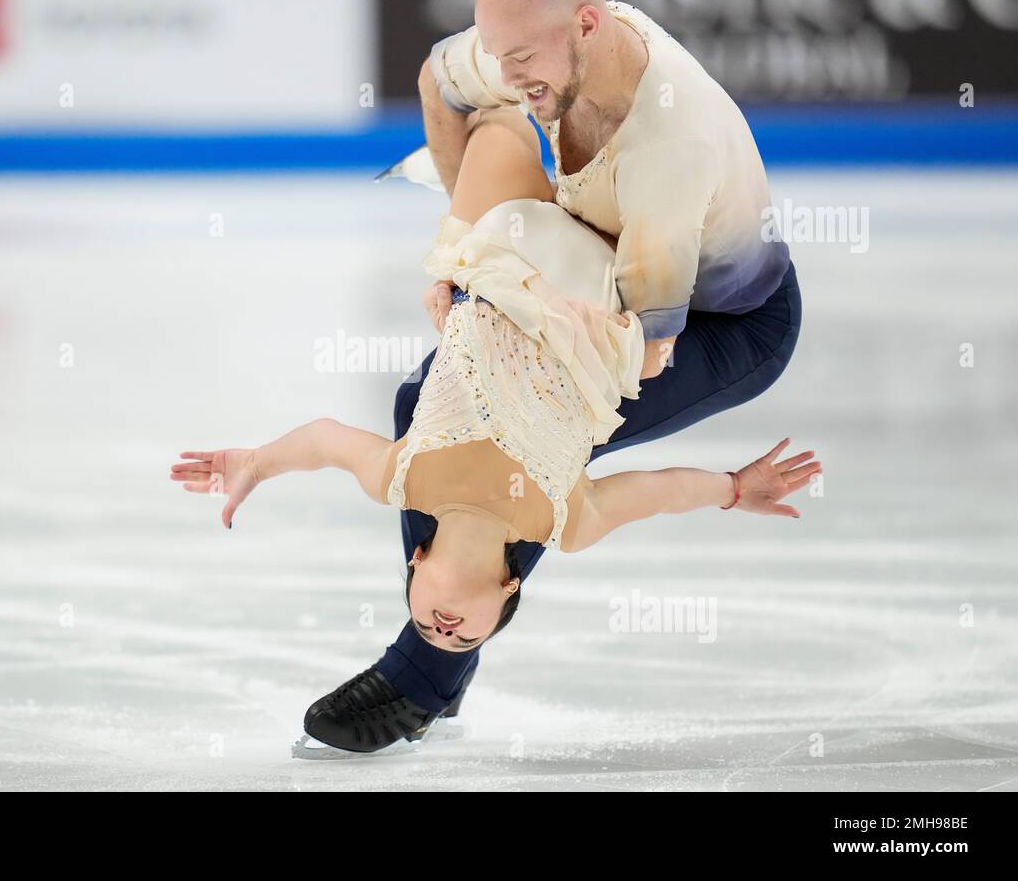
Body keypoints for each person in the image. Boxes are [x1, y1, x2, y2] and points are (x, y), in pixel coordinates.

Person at [172, 108, 816, 754]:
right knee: (605, 162)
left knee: (482, 108)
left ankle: (429, 683)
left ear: (415, 559)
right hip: (725, 316)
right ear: (510, 591)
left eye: (427, 626)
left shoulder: (400, 476)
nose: (444, 626)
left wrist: (256, 461)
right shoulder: (565, 521)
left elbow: (322, 440)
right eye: (460, 638)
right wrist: (734, 487)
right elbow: (661, 491)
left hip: (521, 256)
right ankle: (430, 683)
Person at [302, 0, 804, 753]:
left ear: (588, 24)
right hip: (600, 269)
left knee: (531, 453)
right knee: (415, 405)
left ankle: (425, 674)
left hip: (719, 325)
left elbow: (644, 354)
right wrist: (470, 247)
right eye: (499, 56)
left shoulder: (668, 146)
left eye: (525, 58)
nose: (511, 74)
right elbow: (438, 80)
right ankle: (444, 641)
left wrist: (497, 310)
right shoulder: (529, 45)